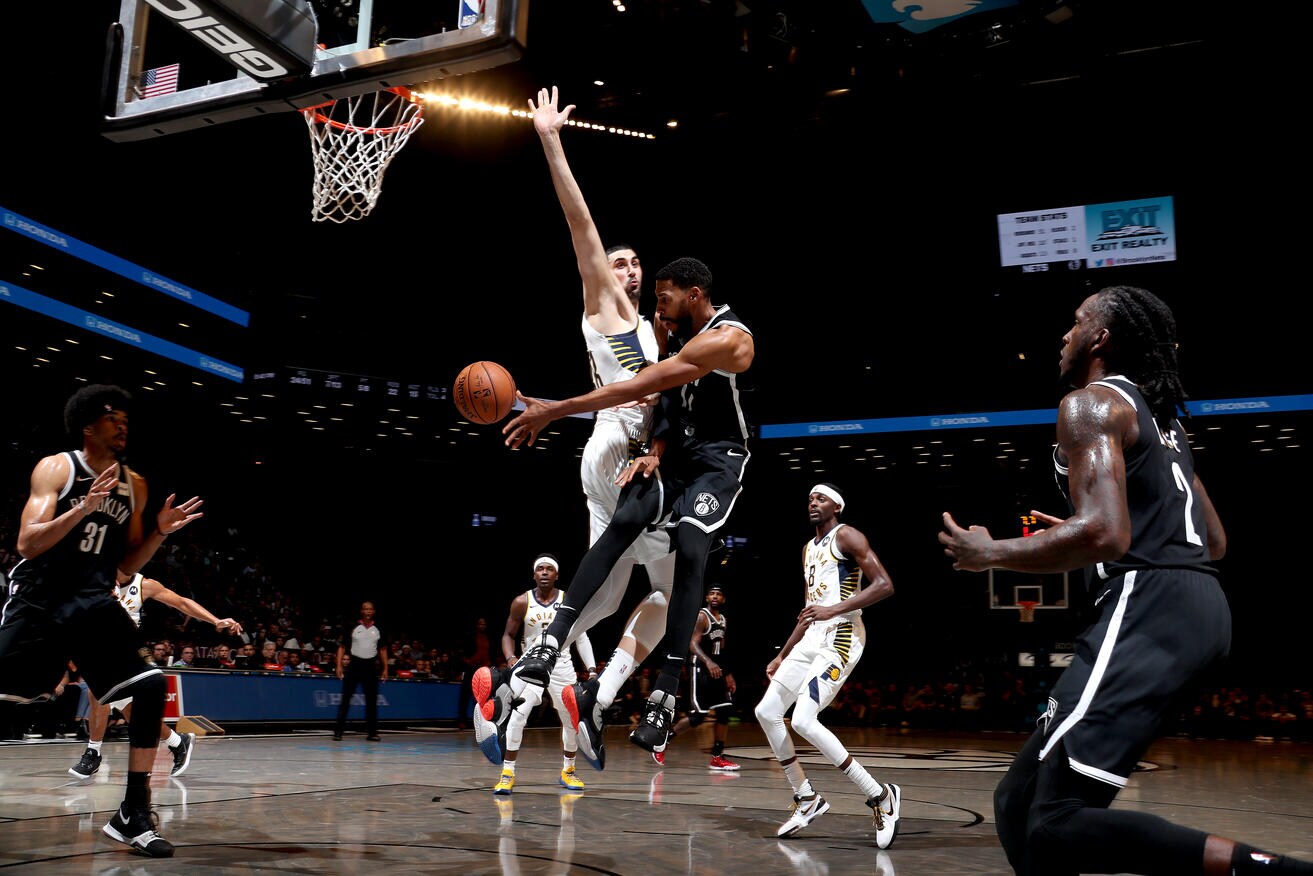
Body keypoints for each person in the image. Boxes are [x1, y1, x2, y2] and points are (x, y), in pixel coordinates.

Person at [939, 285, 1313, 876]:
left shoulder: (1089, 404)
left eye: (1076, 322)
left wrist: (991, 553)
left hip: (1151, 601)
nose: (1065, 334)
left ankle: (1278, 871)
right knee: (1016, 802)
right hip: (1200, 603)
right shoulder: (1161, 420)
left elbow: (1106, 537)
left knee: (1056, 817)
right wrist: (1100, 529)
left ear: (1101, 337)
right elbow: (1213, 540)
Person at [471, 85, 679, 772]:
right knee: (677, 594)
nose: (624, 268)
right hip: (621, 461)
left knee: (608, 596)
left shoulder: (643, 332)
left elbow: (622, 391)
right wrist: (551, 141)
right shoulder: (606, 305)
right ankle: (597, 696)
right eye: (616, 263)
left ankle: (508, 697)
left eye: (633, 263)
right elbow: (581, 226)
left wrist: (559, 404)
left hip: (606, 453)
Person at [490, 226, 755, 761]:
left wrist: (650, 446)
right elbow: (637, 389)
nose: (640, 282)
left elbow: (651, 397)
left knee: (633, 581)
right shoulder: (615, 318)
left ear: (693, 295)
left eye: (659, 288)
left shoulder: (723, 336)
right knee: (664, 576)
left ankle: (549, 679)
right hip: (620, 443)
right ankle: (560, 680)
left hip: (699, 459)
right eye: (623, 266)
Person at [0, 384, 202, 857]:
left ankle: (133, 812)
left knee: (150, 685)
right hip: (40, 598)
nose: (123, 423)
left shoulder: (136, 485)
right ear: (89, 425)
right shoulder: (57, 468)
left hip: (91, 599)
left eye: (126, 418)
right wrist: (83, 508)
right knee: (14, 690)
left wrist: (158, 531)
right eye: (113, 416)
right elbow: (27, 544)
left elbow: (125, 568)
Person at [756, 483, 900, 846]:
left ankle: (882, 796)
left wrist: (833, 610)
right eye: (809, 499)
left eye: (820, 499)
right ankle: (806, 798)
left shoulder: (847, 535)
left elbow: (884, 585)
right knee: (766, 711)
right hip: (811, 637)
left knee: (804, 719)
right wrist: (782, 653)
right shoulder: (808, 549)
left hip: (842, 635)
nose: (812, 504)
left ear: (837, 505)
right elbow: (809, 611)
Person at [68, 570, 243, 780]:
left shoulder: (145, 585)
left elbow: (182, 603)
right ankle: (178, 742)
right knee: (132, 714)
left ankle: (93, 752)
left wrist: (215, 620)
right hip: (102, 647)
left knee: (98, 691)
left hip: (127, 649)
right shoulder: (96, 579)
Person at [487, 554, 597, 795]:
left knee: (570, 719)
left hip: (562, 665)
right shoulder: (521, 602)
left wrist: (591, 669)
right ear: (534, 574)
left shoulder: (570, 600)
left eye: (549, 569)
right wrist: (511, 659)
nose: (545, 572)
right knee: (518, 717)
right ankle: (507, 773)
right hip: (532, 664)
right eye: (540, 569)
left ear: (557, 575)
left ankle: (568, 770)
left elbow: (581, 636)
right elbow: (508, 635)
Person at [657, 584, 739, 770]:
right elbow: (691, 643)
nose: (715, 596)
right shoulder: (702, 616)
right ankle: (662, 743)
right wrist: (708, 662)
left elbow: (722, 649)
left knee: (724, 711)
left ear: (723, 599)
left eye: (719, 594)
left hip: (717, 669)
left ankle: (717, 757)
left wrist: (728, 674)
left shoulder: (723, 620)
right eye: (712, 594)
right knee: (698, 717)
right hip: (700, 668)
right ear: (707, 598)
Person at [333, 600, 387, 741]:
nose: (368, 611)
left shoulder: (378, 628)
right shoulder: (352, 626)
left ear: (373, 611)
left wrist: (385, 668)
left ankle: (372, 733)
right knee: (346, 698)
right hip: (354, 665)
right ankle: (338, 732)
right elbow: (342, 647)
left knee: (371, 701)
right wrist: (339, 665)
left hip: (370, 666)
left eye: (370, 609)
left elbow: (382, 649)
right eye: (365, 609)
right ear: (361, 611)